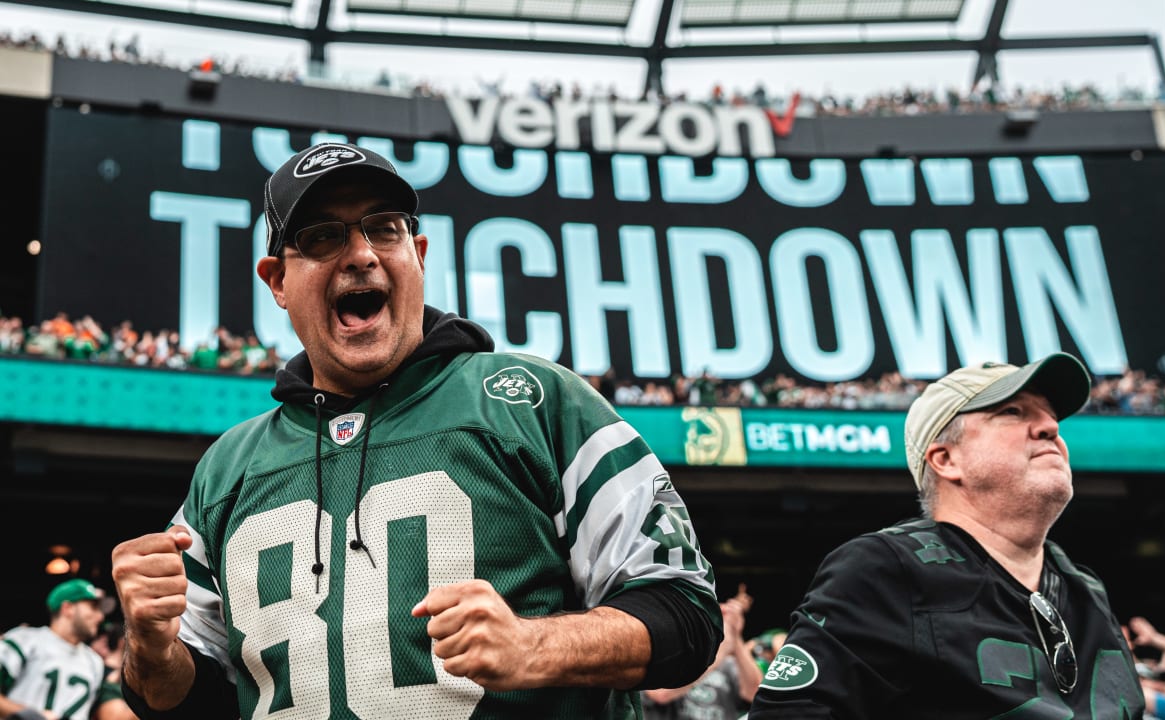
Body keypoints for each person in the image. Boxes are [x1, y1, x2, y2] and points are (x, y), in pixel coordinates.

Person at [110, 141, 722, 719]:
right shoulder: (228, 467)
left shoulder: (536, 402)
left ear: (418, 255)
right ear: (276, 281)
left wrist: (532, 646)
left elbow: (684, 611)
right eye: (323, 237)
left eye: (384, 228)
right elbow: (187, 701)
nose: (362, 254)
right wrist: (151, 649)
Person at [748, 353, 1147, 717]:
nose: (1050, 427)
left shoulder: (1086, 588)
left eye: (1049, 416)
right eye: (1012, 412)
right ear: (946, 458)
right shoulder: (884, 567)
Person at [642, 584, 762, 720]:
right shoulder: (670, 654)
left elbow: (756, 694)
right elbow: (660, 694)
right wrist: (718, 654)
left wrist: (735, 634)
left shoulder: (728, 664)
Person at [0, 578, 111, 720]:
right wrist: (30, 716)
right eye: (93, 607)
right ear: (67, 608)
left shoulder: (94, 661)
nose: (100, 616)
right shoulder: (25, 641)